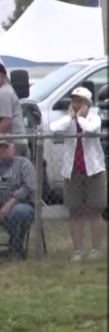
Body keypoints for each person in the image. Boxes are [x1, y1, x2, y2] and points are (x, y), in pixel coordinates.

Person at [49, 87, 105, 260]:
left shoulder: (94, 117)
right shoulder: (67, 120)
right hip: (72, 171)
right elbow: (53, 128)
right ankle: (78, 251)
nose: (75, 104)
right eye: (73, 101)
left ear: (87, 104)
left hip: (94, 170)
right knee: (75, 212)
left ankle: (95, 250)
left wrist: (80, 117)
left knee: (95, 211)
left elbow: (91, 129)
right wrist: (71, 117)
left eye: (80, 101)